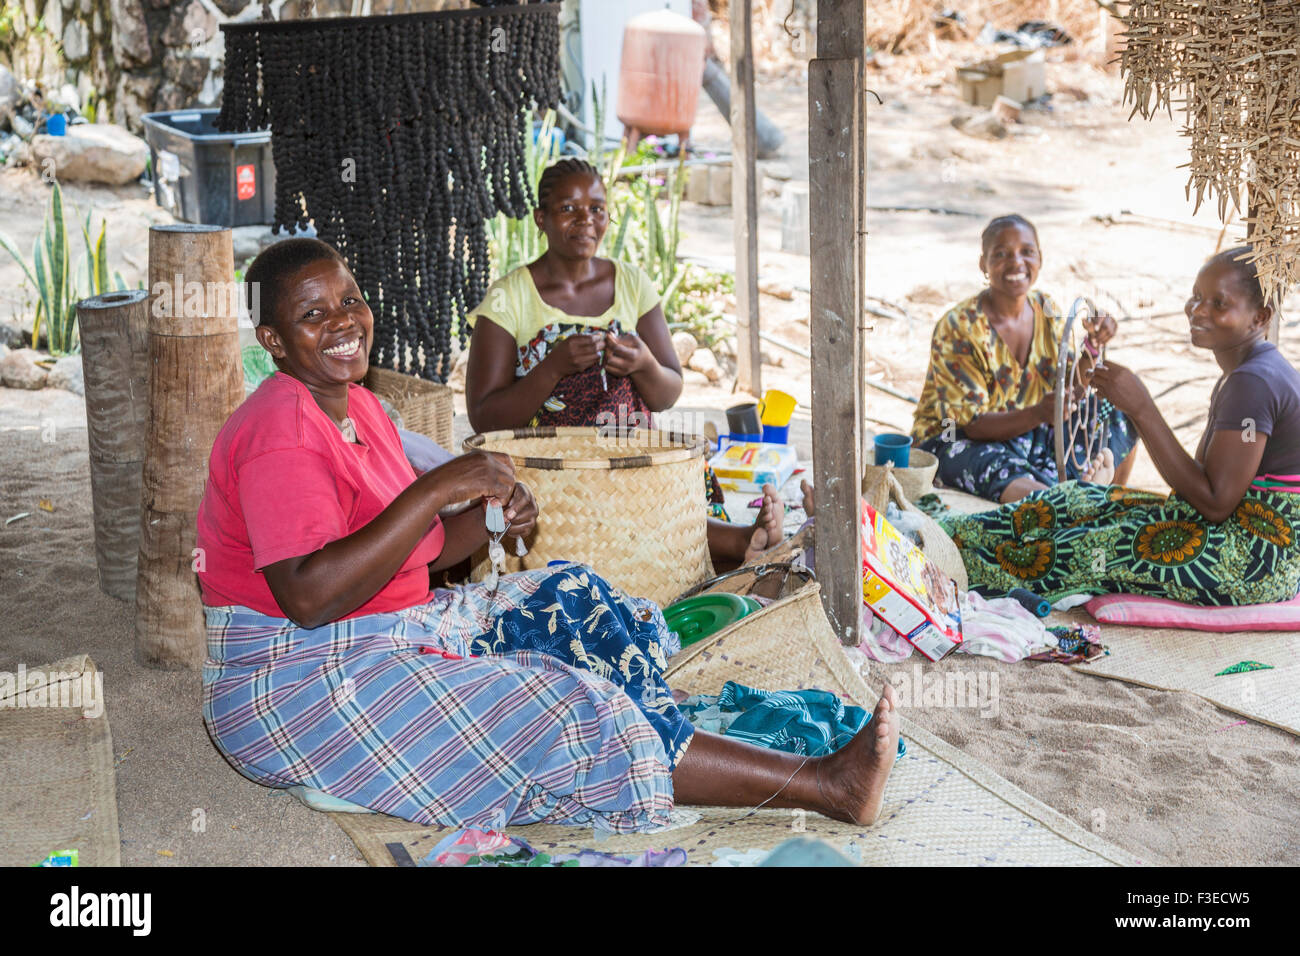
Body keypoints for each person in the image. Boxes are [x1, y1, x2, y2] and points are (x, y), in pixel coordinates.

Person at [196, 237, 899, 834]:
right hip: (298, 674)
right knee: (560, 709)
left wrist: (492, 519)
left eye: (349, 300)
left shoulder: (362, 410)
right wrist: (437, 488)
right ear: (273, 340)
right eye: (311, 314)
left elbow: (421, 551)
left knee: (572, 595)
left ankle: (664, 741)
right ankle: (822, 787)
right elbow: (309, 596)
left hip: (386, 625)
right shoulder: (279, 430)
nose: (343, 322)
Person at [465, 157, 782, 564]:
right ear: (540, 218)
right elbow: (484, 418)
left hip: (632, 458)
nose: (586, 221)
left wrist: (644, 364)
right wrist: (553, 368)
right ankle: (734, 544)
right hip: (552, 472)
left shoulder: (631, 284)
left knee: (665, 478)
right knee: (620, 511)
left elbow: (668, 392)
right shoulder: (510, 298)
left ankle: (738, 540)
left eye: (597, 209)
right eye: (568, 209)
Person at [941, 247, 1300, 606]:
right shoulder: (1245, 373)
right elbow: (1207, 484)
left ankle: (950, 565)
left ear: (1260, 317)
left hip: (1251, 560)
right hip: (1226, 531)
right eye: (1195, 297)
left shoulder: (1253, 382)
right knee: (1075, 499)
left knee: (1086, 548)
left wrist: (1142, 409)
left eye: (1218, 304)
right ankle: (946, 534)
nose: (1198, 311)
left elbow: (1215, 504)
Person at [910, 214, 1138, 503]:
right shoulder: (960, 327)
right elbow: (972, 425)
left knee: (1122, 407)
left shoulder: (1044, 308)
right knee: (989, 461)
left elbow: (1073, 386)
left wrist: (1092, 347)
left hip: (1026, 430)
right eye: (1001, 254)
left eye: (1026, 252)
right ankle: (1067, 501)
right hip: (955, 437)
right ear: (984, 264)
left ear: (1039, 258)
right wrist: (1040, 414)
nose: (1016, 262)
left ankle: (1089, 497)